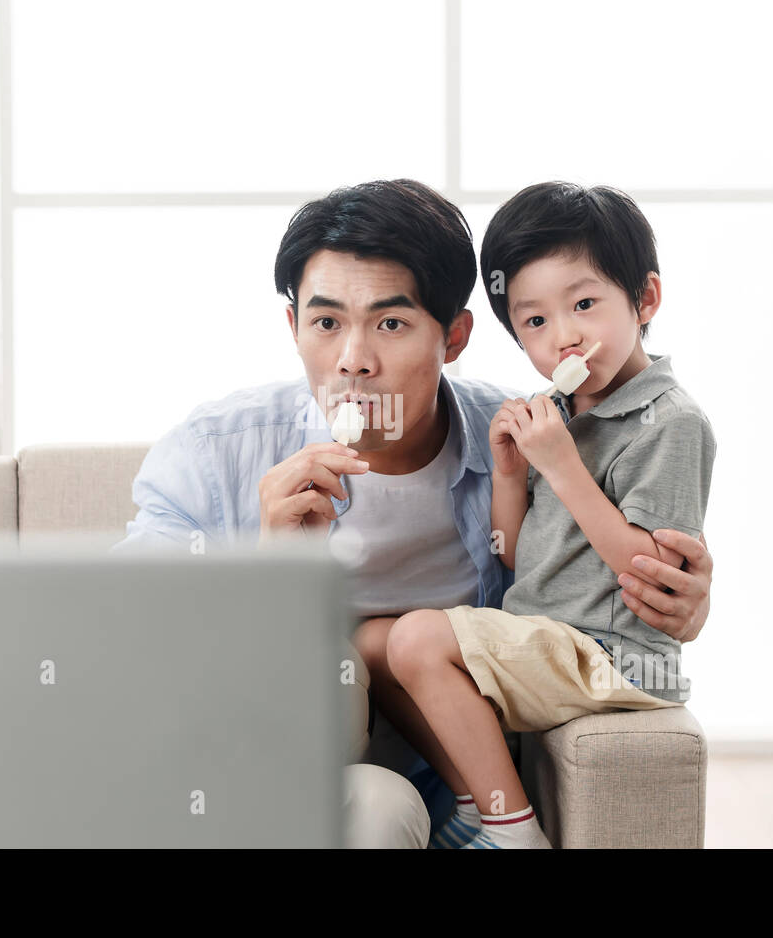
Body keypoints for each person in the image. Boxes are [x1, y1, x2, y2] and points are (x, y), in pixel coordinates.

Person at [111, 179, 715, 847]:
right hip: (262, 767)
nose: (353, 362)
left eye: (391, 323)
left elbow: (607, 571)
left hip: (428, 785)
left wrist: (677, 597)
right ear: (293, 328)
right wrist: (267, 566)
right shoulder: (213, 453)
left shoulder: (525, 440)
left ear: (455, 336)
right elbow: (119, 641)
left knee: (383, 801)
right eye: (326, 322)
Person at [380, 182, 716, 848]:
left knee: (417, 640)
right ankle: (489, 805)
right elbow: (512, 553)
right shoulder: (561, 415)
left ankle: (508, 827)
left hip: (613, 653)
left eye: (585, 304)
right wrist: (511, 470)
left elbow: (649, 568)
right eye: (535, 322)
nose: (564, 337)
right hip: (548, 637)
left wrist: (562, 465)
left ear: (644, 299)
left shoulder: (668, 421)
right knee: (384, 648)